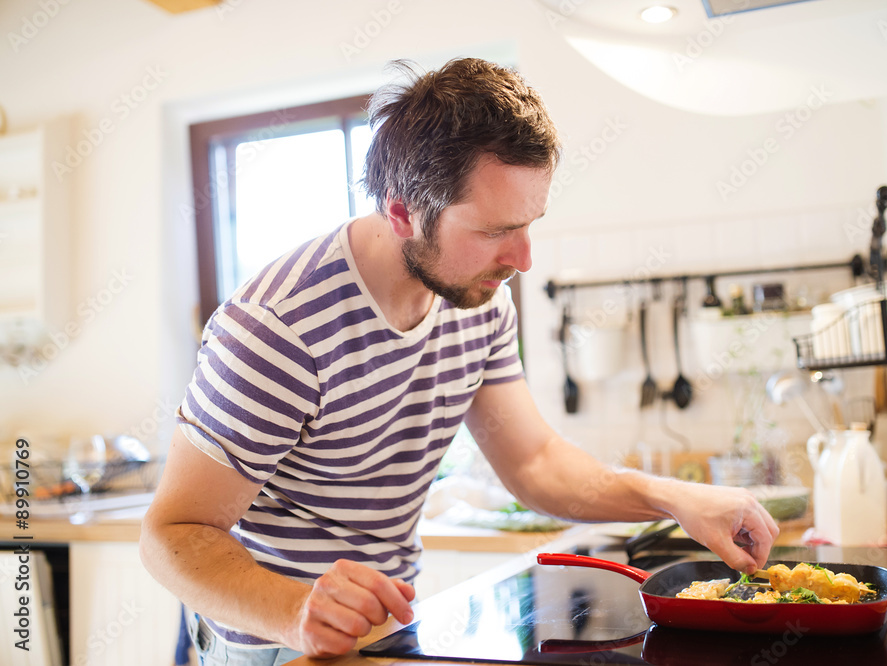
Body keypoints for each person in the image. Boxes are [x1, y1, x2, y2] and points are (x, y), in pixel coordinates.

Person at [140, 57, 779, 664]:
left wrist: (674, 498)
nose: (523, 258)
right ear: (401, 212)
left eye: (530, 223)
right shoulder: (277, 329)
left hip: (391, 627)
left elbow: (533, 462)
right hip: (273, 641)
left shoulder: (477, 298)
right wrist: (296, 609)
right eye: (495, 231)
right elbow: (171, 535)